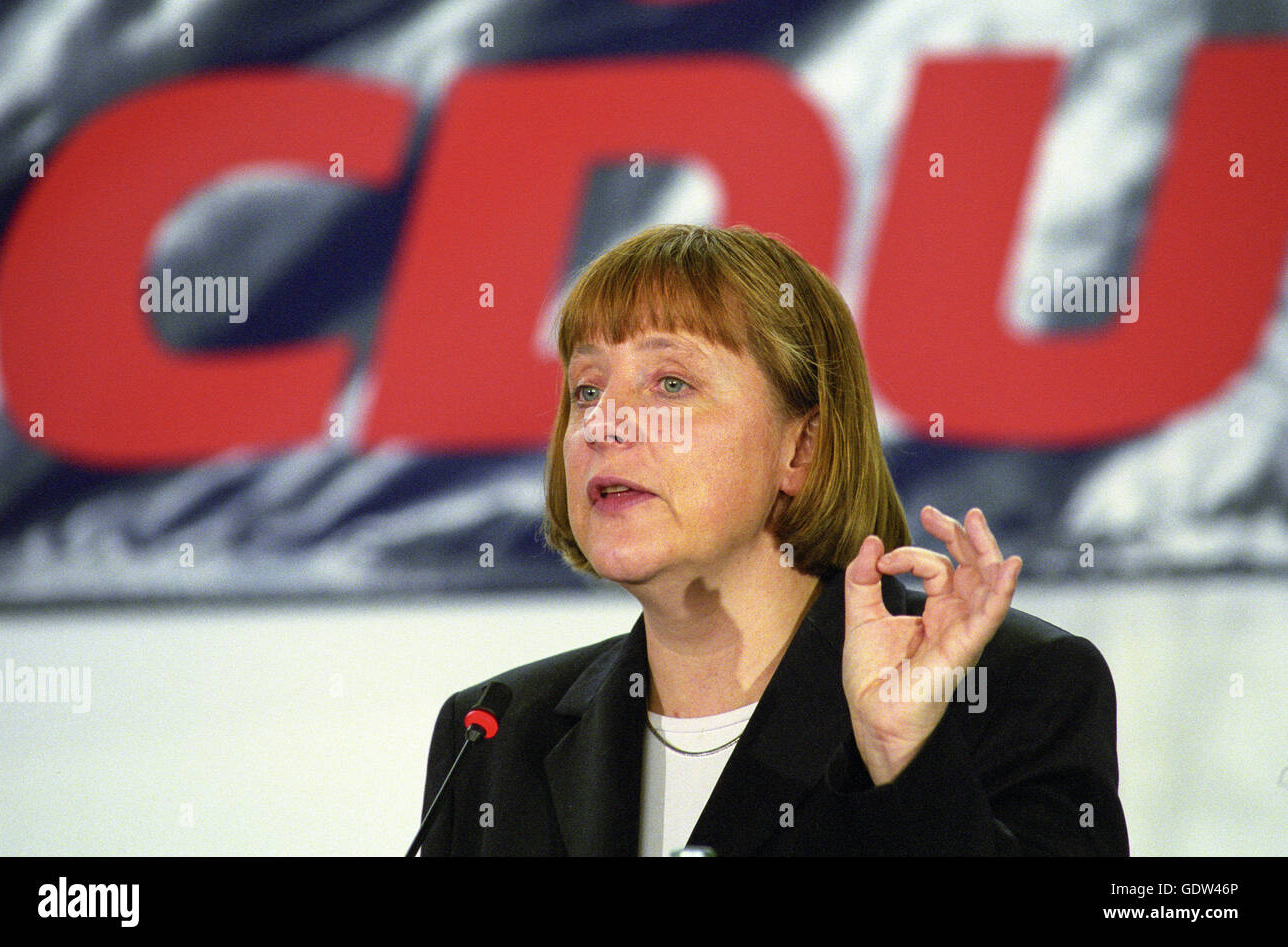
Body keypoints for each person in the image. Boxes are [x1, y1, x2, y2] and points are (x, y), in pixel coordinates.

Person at [418, 224, 1128, 856]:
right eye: (586, 389)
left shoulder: (1007, 688)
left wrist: (902, 753)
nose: (606, 424)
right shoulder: (494, 734)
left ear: (802, 447)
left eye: (670, 383)